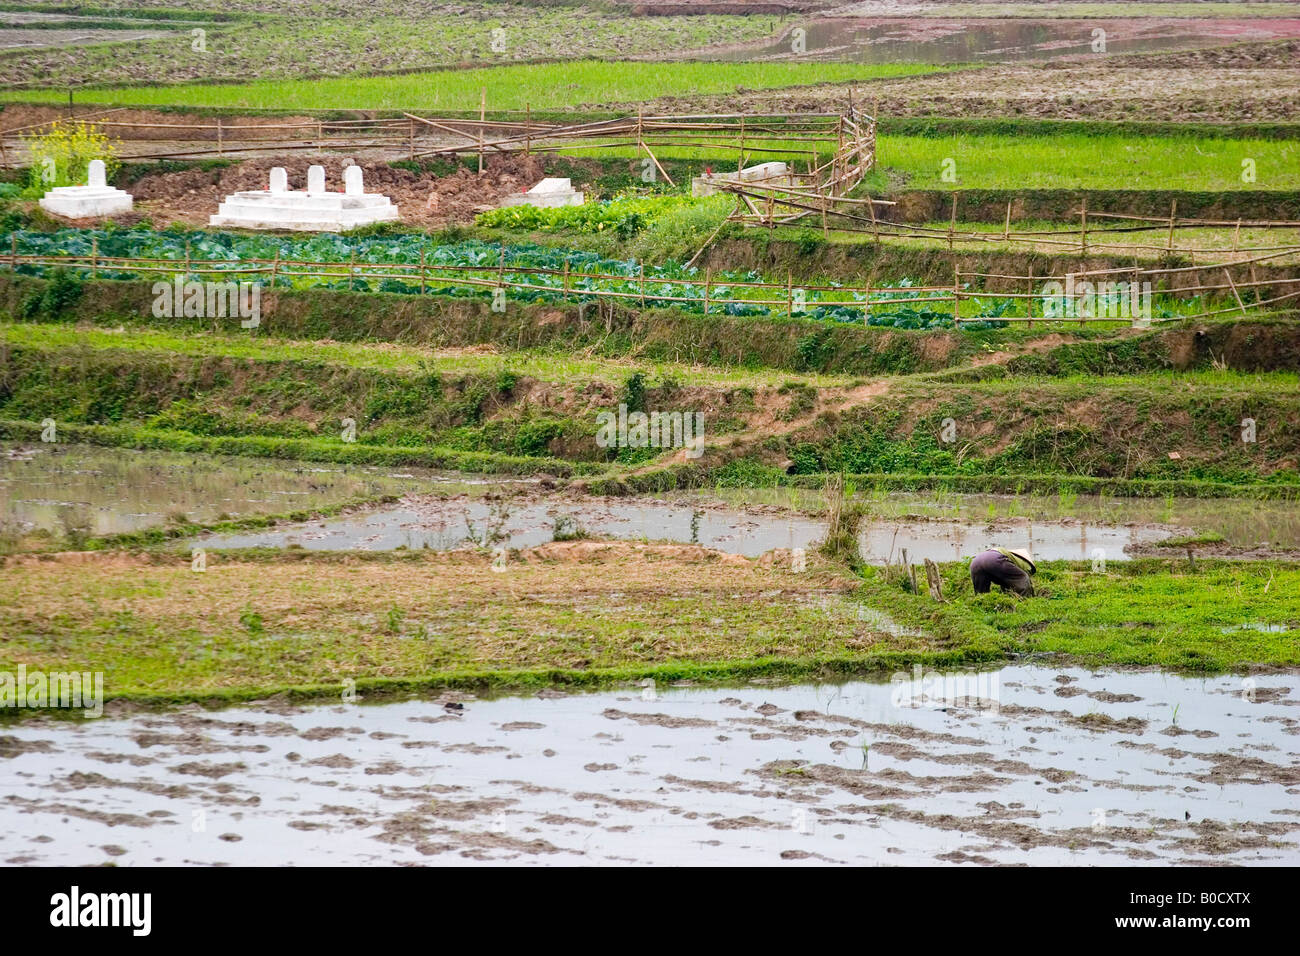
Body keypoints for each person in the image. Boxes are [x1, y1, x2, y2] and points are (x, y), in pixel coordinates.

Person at [970, 547, 1036, 597]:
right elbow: (1024, 579)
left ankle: (981, 608)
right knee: (1023, 578)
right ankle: (1024, 602)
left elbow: (1006, 579)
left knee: (981, 594)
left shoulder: (1007, 554)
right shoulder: (1026, 565)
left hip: (975, 562)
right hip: (993, 560)